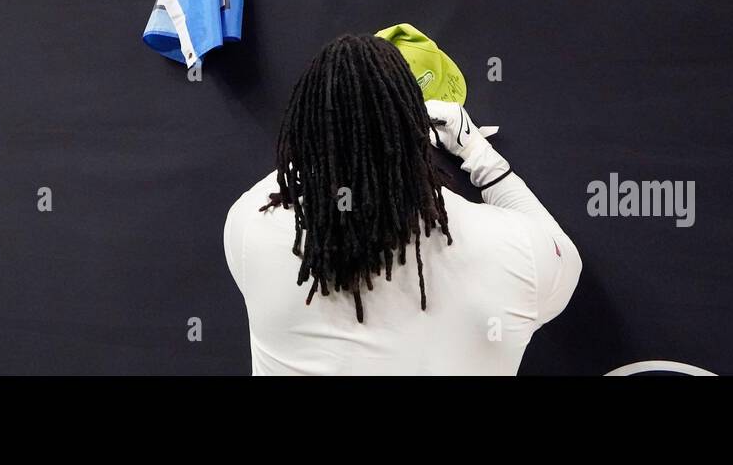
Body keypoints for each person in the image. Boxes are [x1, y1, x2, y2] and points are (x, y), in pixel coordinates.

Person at [223, 34, 581, 375]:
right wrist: (478, 154)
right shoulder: (514, 251)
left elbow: (295, 173)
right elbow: (565, 255)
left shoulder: (249, 227)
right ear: (419, 132)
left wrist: (335, 136)